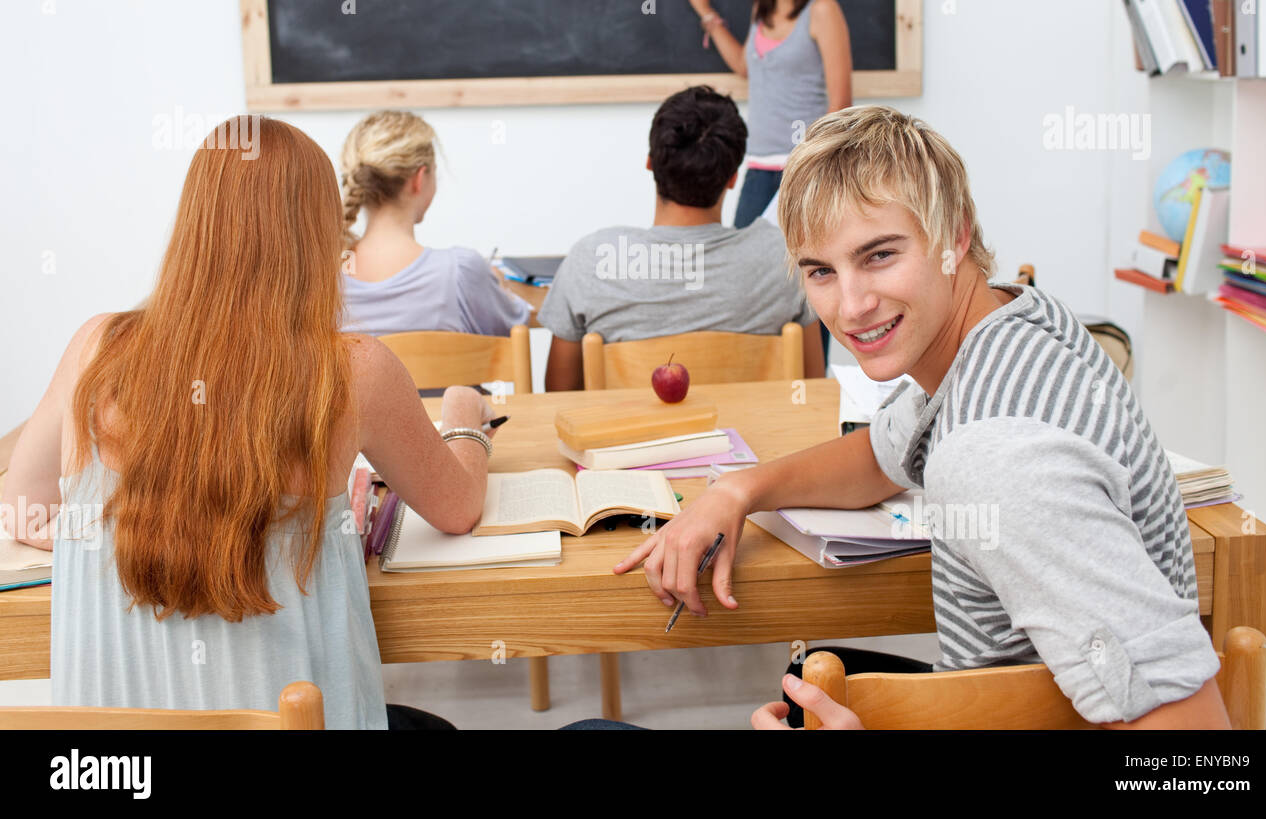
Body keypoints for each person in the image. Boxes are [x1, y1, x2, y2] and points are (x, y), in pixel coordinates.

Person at [615, 105, 1230, 731]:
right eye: (821, 271)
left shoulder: (999, 459)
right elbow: (879, 457)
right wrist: (736, 489)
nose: (850, 306)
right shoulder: (1010, 325)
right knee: (808, 676)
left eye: (879, 255)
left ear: (954, 235)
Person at [1, 116, 498, 730]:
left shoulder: (94, 348)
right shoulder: (352, 370)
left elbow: (21, 503)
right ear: (317, 238)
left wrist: (143, 520)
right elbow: (457, 508)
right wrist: (464, 418)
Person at [539, 85, 823, 391]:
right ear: (732, 179)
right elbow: (813, 388)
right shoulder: (784, 257)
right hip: (752, 439)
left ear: (650, 163)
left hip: (627, 440)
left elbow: (559, 398)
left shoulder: (592, 259)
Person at [680, 0, 852, 230]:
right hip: (759, 165)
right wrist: (705, 12)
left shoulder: (823, 11)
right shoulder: (762, 9)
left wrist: (815, 167)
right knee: (745, 265)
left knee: (802, 269)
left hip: (803, 167)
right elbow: (746, 67)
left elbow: (841, 103)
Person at [338, 110, 531, 337]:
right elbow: (515, 329)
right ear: (419, 179)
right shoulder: (461, 272)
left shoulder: (321, 276)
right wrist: (496, 285)